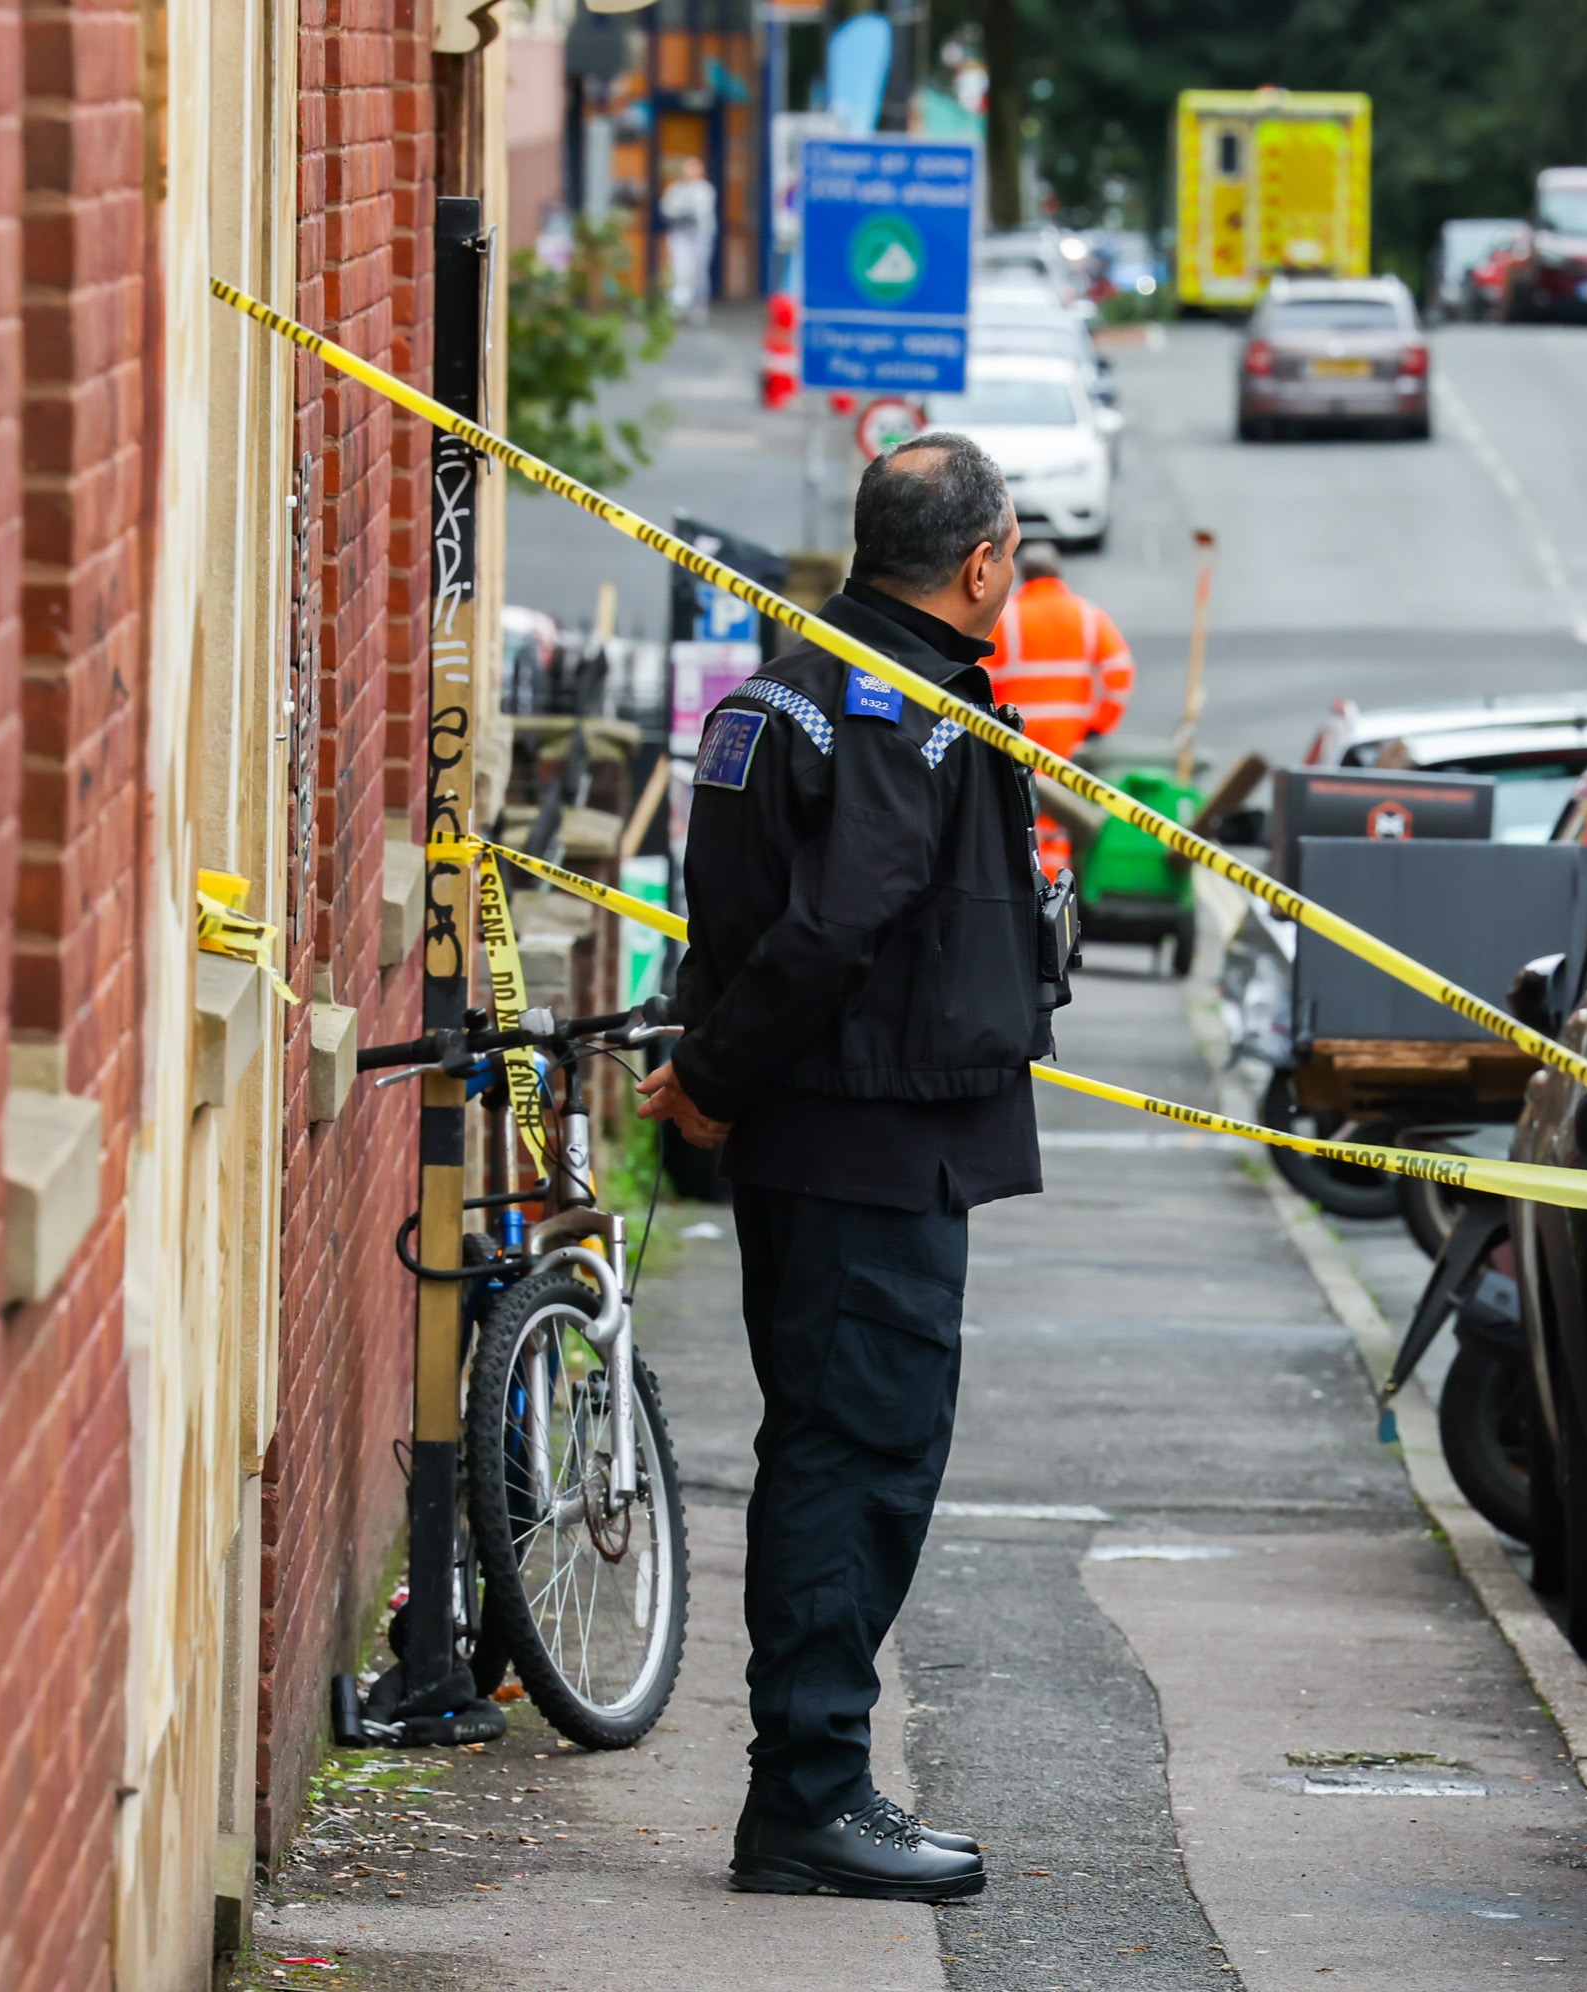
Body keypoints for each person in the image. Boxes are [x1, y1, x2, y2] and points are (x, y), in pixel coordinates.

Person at [638, 434, 1062, 1902]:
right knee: (854, 1461)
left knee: (831, 1445)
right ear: (980, 562)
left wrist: (715, 1070)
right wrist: (705, 1078)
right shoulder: (902, 713)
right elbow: (833, 927)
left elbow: (750, 916)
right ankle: (810, 1801)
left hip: (831, 1137)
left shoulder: (789, 693)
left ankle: (811, 1791)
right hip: (872, 1145)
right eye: (1013, 550)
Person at [991, 541, 1135, 760]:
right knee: (1061, 793)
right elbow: (1119, 671)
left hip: (1015, 734)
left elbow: (981, 674)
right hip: (1071, 736)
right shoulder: (1087, 615)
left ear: (1022, 573)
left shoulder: (1005, 618)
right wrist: (1100, 724)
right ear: (1058, 571)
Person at [660, 156, 718, 322]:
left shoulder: (704, 189)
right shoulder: (676, 188)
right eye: (686, 169)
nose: (688, 172)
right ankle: (678, 305)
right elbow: (667, 209)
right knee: (680, 269)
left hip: (699, 236)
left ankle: (698, 306)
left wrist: (682, 214)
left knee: (698, 271)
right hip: (680, 235)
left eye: (693, 169)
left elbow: (698, 212)